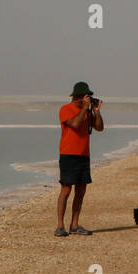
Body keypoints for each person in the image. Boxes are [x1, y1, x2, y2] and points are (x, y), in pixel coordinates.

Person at [56, 81, 104, 236]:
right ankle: (60, 226)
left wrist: (96, 111)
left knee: (81, 190)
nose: (88, 99)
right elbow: (75, 124)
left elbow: (99, 128)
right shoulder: (65, 109)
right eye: (86, 96)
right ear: (77, 96)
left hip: (84, 154)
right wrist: (84, 108)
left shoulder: (88, 111)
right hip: (68, 154)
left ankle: (74, 225)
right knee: (66, 189)